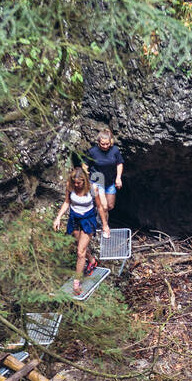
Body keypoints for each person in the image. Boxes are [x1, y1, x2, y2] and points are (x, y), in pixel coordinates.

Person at [53, 165, 108, 297]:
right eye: (75, 182)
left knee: (80, 252)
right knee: (80, 247)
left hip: (88, 220)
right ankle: (92, 260)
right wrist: (58, 217)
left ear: (84, 181)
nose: (76, 185)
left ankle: (76, 283)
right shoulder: (70, 186)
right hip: (74, 219)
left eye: (79, 182)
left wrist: (105, 225)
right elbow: (67, 202)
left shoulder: (92, 188)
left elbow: (99, 207)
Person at [84, 124, 124, 224]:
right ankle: (103, 228)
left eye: (107, 144)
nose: (105, 146)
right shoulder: (93, 152)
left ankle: (100, 217)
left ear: (110, 142)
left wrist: (118, 178)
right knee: (104, 206)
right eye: (103, 144)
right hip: (97, 180)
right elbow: (85, 164)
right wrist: (85, 174)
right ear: (98, 142)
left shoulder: (114, 150)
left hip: (110, 181)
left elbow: (119, 163)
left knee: (110, 206)